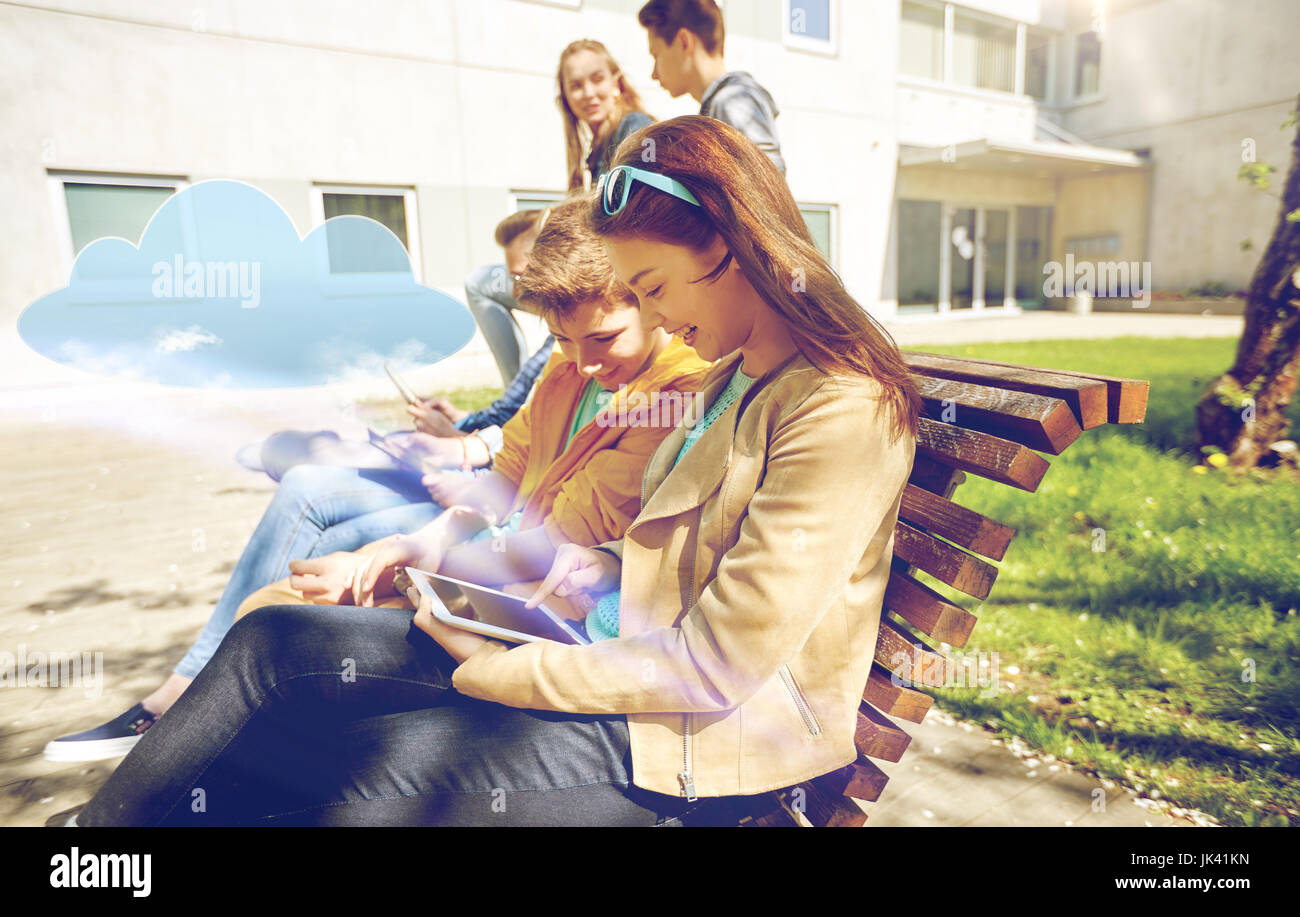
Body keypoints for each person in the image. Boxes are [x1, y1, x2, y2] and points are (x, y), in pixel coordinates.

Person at [74, 115, 919, 826]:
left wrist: (492, 662)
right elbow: (668, 557)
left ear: (735, 249)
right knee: (274, 641)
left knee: (349, 777)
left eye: (653, 289)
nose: (655, 317)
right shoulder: (734, 374)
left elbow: (716, 663)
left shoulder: (840, 409)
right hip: (616, 659)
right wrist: (584, 569)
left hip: (712, 743)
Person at [45, 198, 708, 765]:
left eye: (602, 338)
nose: (583, 362)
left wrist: (402, 569)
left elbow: (551, 538)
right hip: (483, 585)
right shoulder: (564, 377)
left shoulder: (673, 395)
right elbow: (498, 487)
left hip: (533, 618)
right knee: (275, 606)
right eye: (562, 340)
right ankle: (172, 777)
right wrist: (411, 547)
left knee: (278, 627)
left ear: (649, 302)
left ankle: (174, 784)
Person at [638, 0, 786, 175]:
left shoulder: (731, 103)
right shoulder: (721, 106)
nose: (653, 74)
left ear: (684, 42)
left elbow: (767, 186)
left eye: (656, 55)